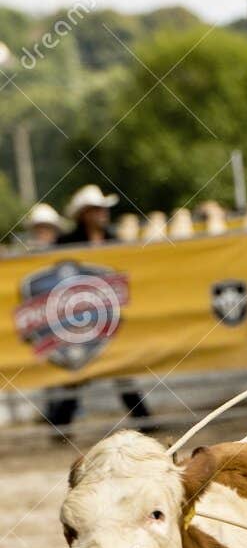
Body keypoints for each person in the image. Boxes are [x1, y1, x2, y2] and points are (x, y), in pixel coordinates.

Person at [45, 184, 156, 439]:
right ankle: (61, 424)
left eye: (102, 209)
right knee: (80, 369)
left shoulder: (113, 239)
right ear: (84, 213)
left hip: (109, 311)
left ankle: (143, 417)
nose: (102, 213)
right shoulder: (66, 243)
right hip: (80, 311)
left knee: (117, 365)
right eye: (96, 209)